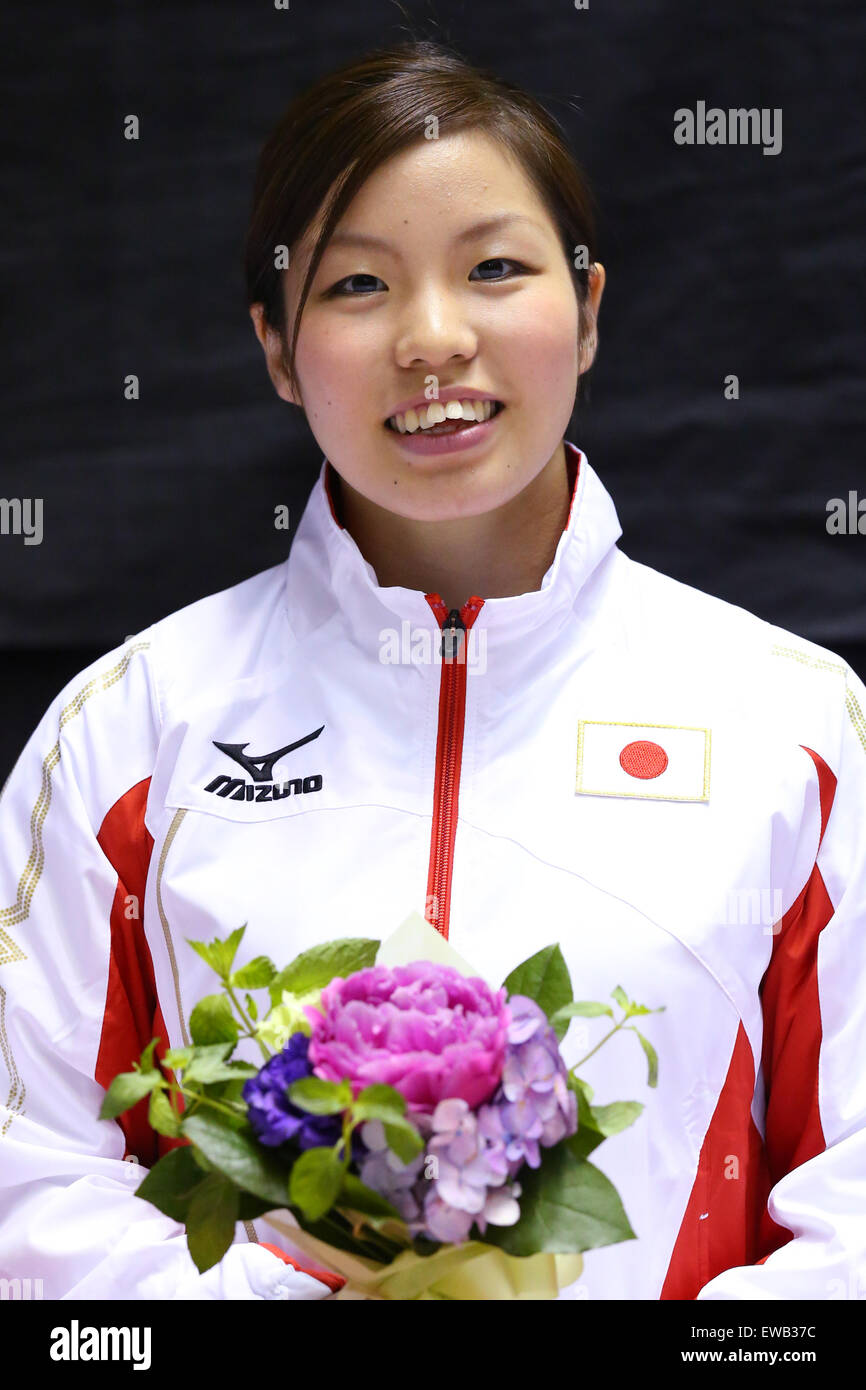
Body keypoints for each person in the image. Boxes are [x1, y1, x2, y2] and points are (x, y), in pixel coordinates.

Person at [1, 37, 865, 1302]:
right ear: (276, 347)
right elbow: (26, 1174)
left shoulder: (797, 726)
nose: (432, 337)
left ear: (587, 310)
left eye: (496, 267)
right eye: (355, 285)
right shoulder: (129, 732)